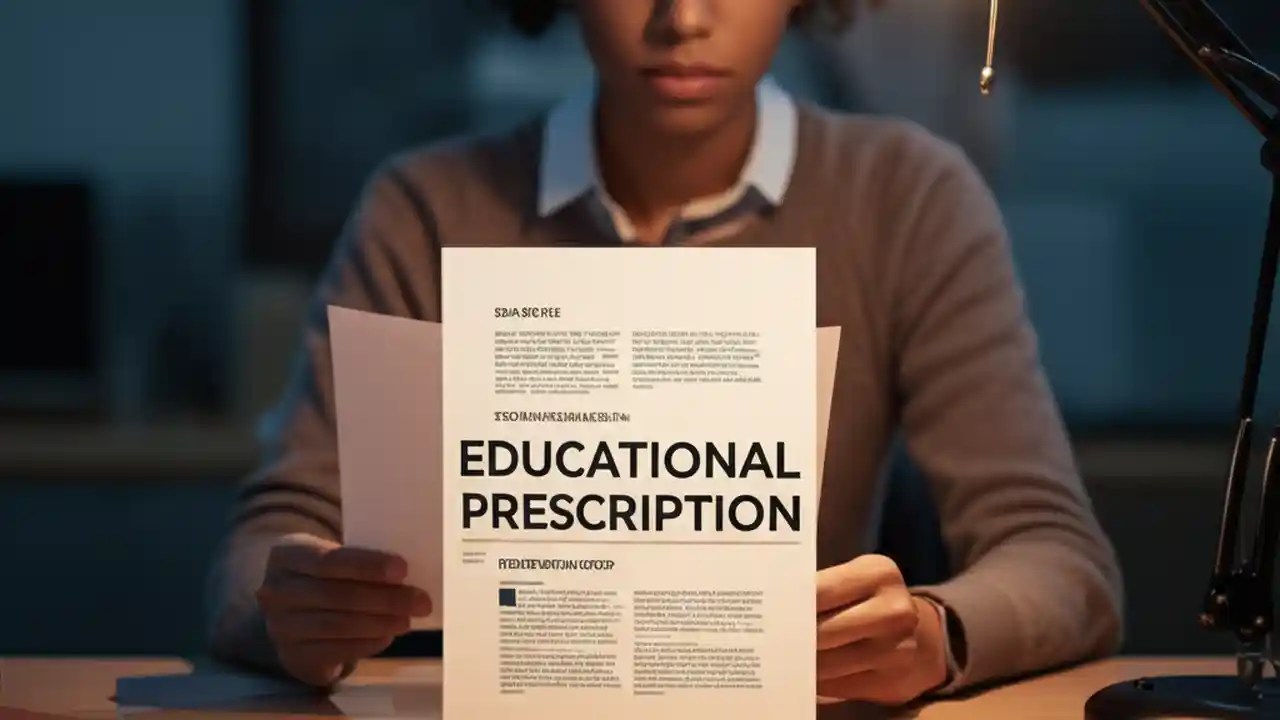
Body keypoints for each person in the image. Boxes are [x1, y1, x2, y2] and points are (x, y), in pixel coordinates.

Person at [205, 0, 1125, 714]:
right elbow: (266, 544)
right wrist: (294, 612)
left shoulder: (904, 196)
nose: (682, 19)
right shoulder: (428, 209)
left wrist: (932, 632)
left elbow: (1059, 556)